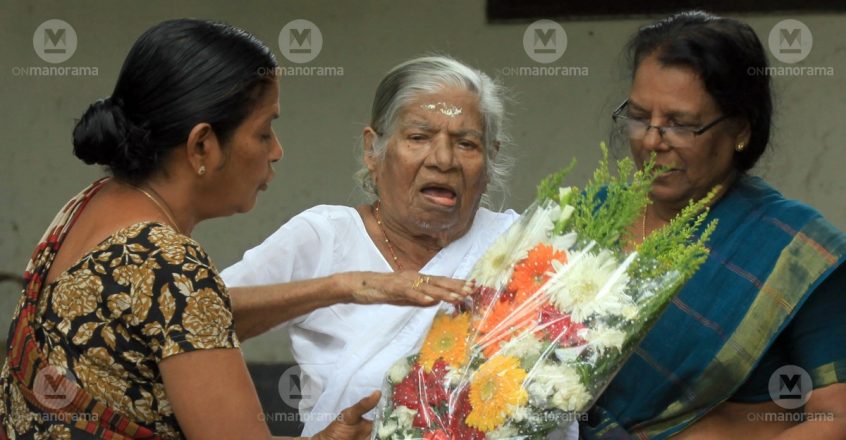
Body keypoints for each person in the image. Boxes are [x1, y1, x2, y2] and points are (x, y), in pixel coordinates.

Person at [0, 19, 378, 440]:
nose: (277, 151)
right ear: (202, 145)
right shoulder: (169, 264)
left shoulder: (88, 205)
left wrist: (338, 288)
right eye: (265, 131)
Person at [221, 56, 532, 436]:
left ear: (491, 159)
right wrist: (340, 287)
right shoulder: (325, 237)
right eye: (419, 137)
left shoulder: (521, 246)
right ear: (373, 150)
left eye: (466, 143)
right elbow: (193, 319)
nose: (444, 160)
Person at [581, 11, 846, 439]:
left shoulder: (792, 252)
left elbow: (836, 419)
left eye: (680, 125)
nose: (651, 140)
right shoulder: (587, 219)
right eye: (638, 116)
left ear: (740, 129)